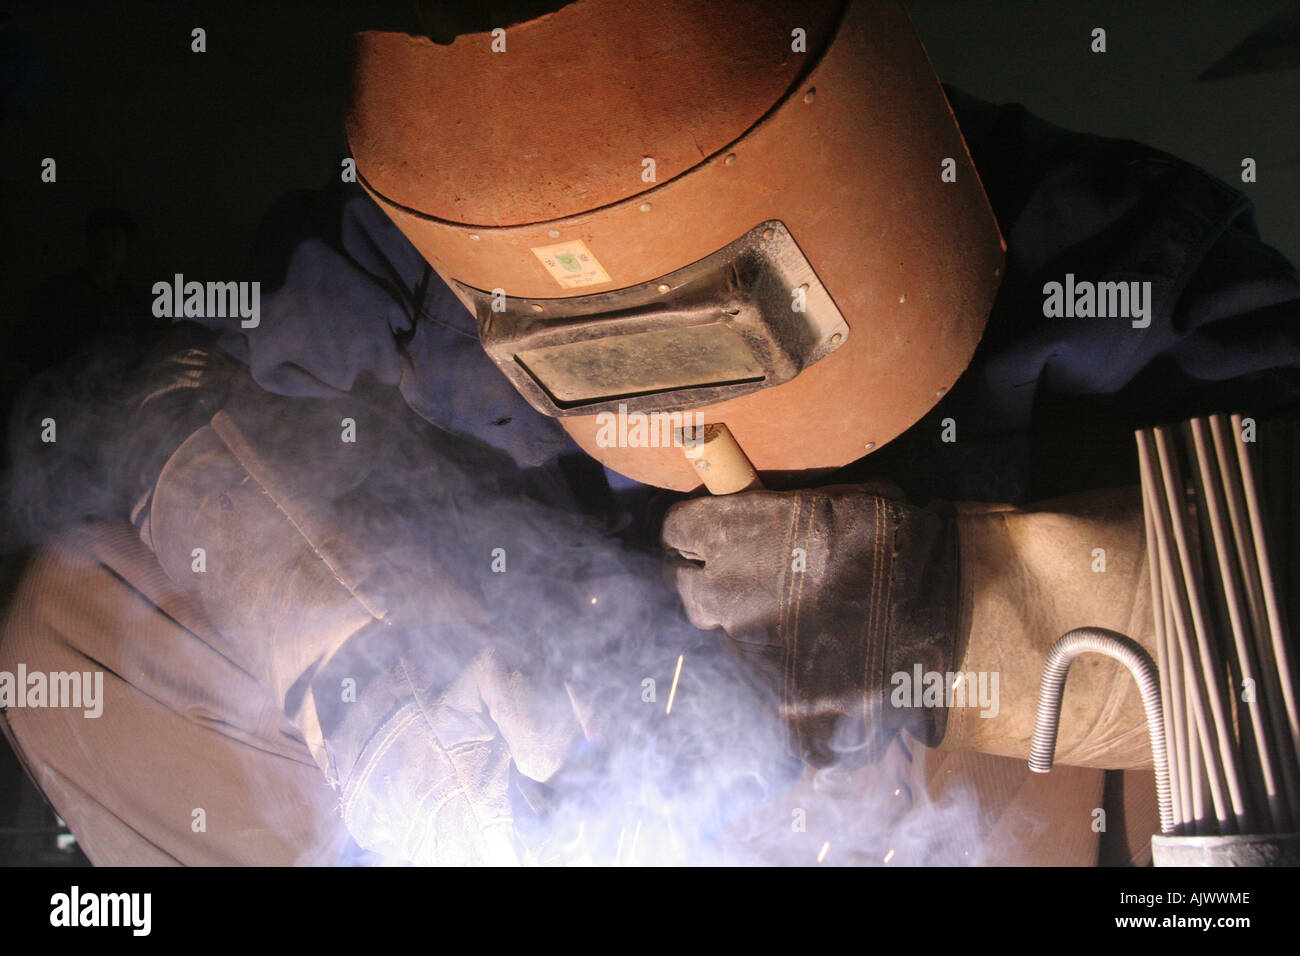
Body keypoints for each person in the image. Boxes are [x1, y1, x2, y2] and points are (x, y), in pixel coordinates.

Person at [2, 0, 1296, 866]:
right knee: (69, 619)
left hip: (949, 785)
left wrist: (941, 612)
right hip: (553, 774)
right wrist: (360, 664)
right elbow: (156, 405)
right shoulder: (420, 260)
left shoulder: (1134, 265)